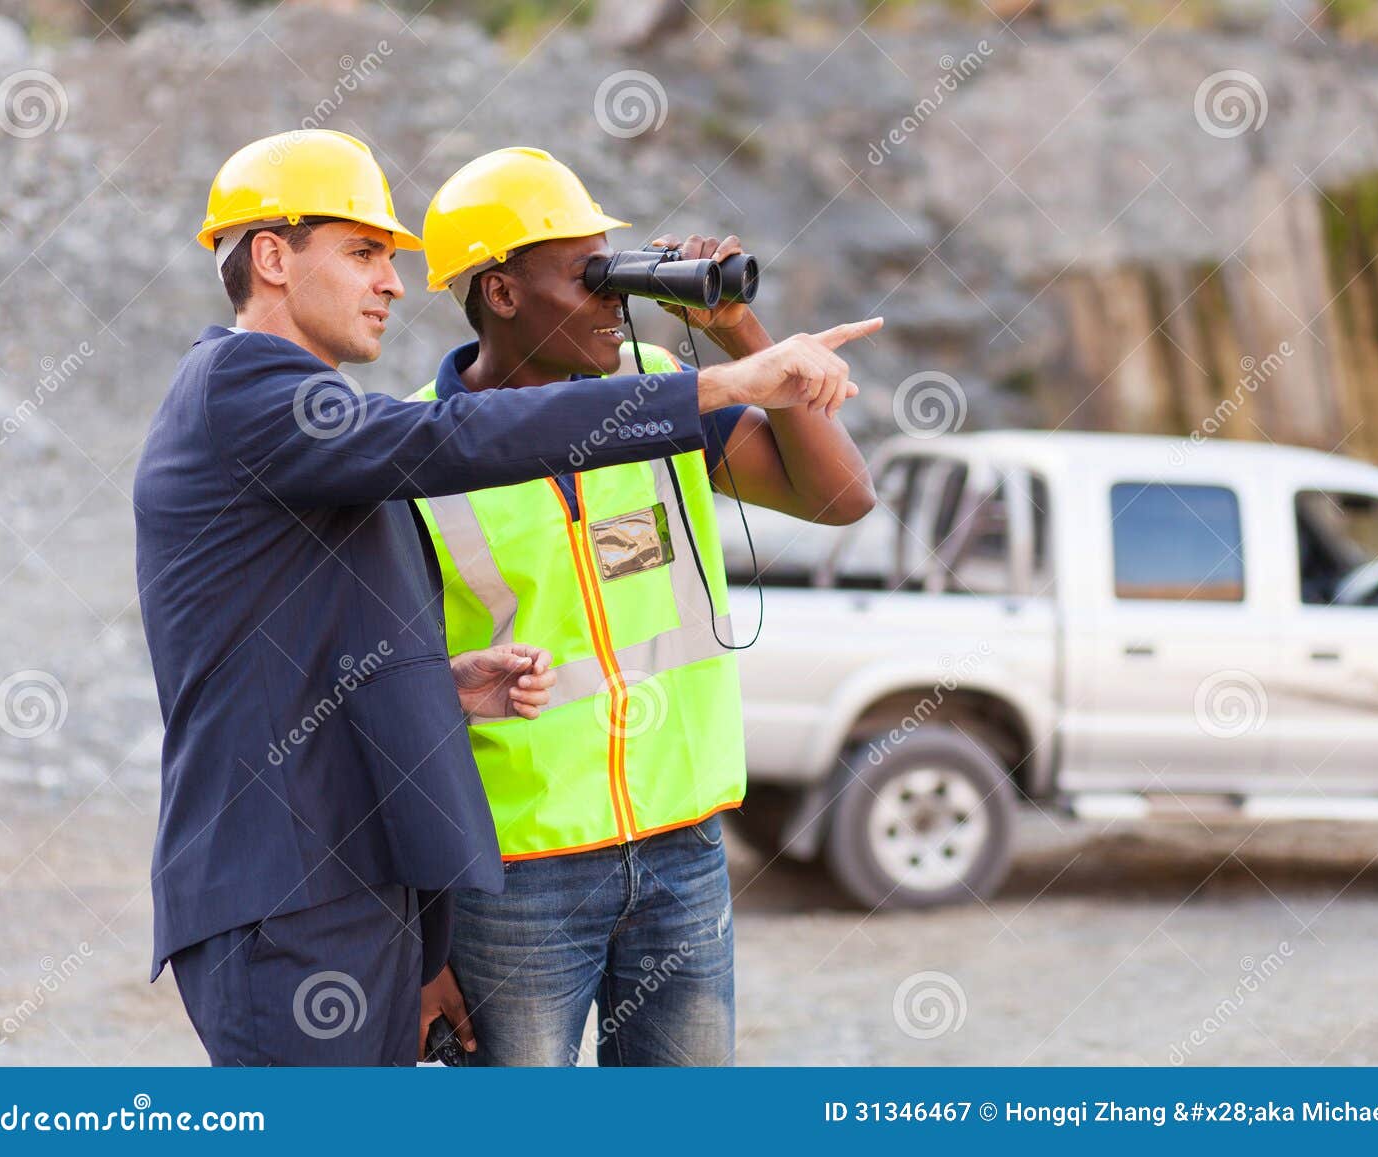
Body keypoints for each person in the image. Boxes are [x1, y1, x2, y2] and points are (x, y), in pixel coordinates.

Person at [134, 131, 867, 1066]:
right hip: (302, 890)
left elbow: (315, 649)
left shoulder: (323, 429)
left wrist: (439, 683)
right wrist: (719, 382)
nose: (394, 283)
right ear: (271, 257)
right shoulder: (251, 389)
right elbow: (456, 441)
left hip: (379, 887)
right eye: (364, 253)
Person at [407, 147, 878, 1065]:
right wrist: (422, 942)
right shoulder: (416, 450)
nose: (613, 295)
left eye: (615, 268)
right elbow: (392, 708)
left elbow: (842, 498)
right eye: (588, 275)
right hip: (515, 880)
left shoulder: (661, 386)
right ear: (500, 293)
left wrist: (742, 332)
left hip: (682, 853)